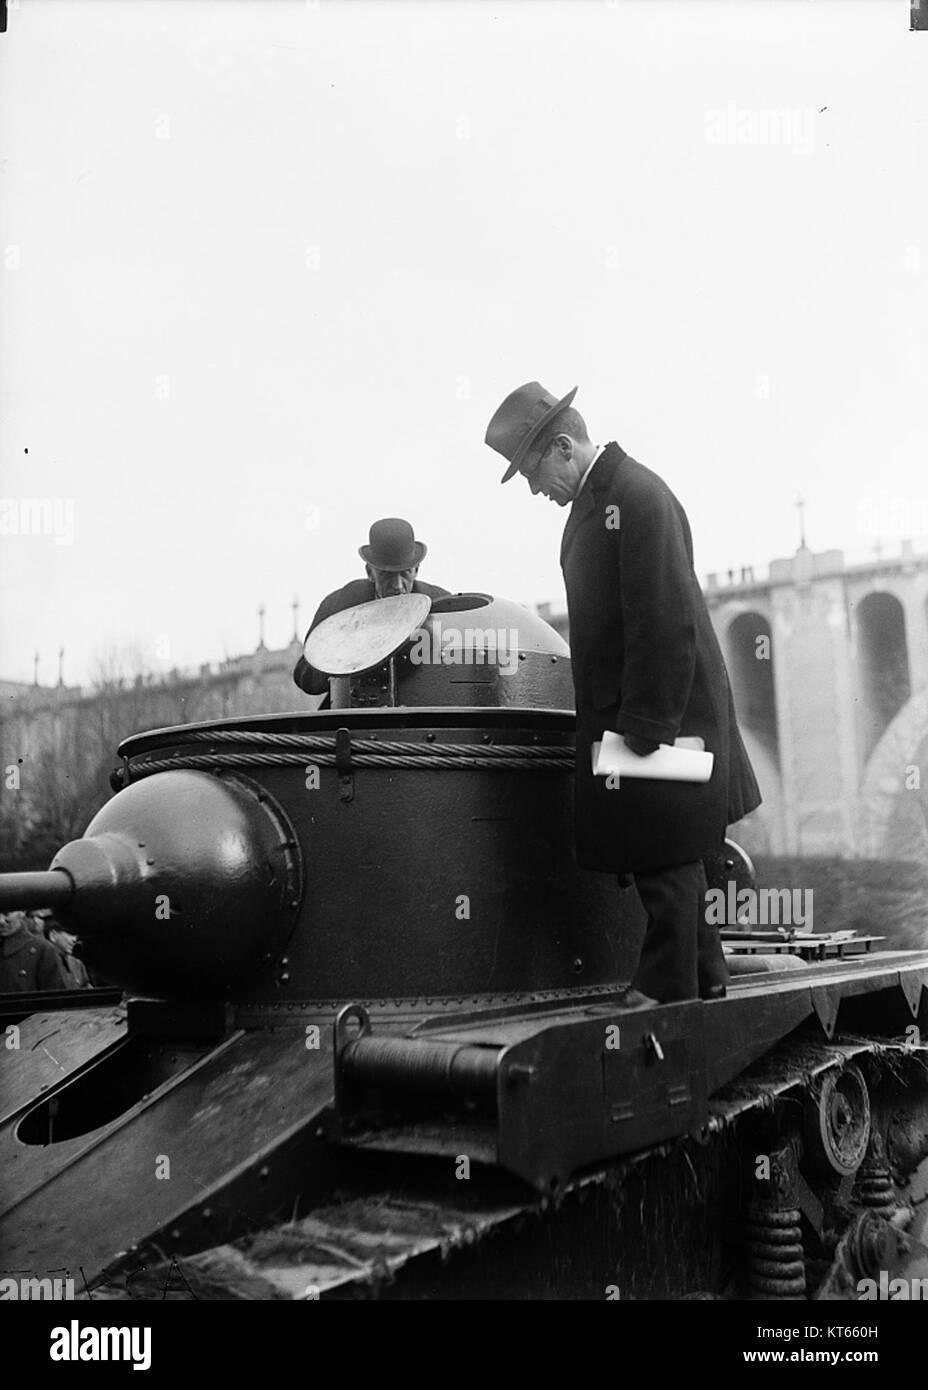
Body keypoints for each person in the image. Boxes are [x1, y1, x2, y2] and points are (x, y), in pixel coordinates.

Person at [484, 381, 761, 1006]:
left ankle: (664, 988)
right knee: (667, 850)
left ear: (563, 447)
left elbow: (662, 618)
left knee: (665, 849)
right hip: (646, 710)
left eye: (532, 473)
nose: (535, 489)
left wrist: (643, 729)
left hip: (662, 712)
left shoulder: (634, 495)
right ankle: (705, 974)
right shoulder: (606, 499)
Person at [292, 517, 450, 696]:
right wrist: (342, 654)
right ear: (369, 572)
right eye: (387, 575)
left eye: (405, 573)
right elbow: (305, 677)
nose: (398, 585)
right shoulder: (340, 605)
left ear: (416, 570)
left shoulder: (442, 605)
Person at [0, 910, 71, 992]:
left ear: (22, 912)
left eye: (6, 914)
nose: (1, 920)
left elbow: (55, 997)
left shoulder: (42, 949)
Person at [42, 915, 91, 988]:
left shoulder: (77, 964)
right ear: (53, 935)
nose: (74, 939)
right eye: (70, 934)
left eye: (75, 935)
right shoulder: (41, 963)